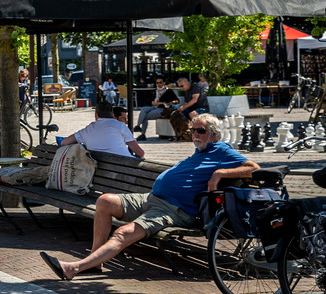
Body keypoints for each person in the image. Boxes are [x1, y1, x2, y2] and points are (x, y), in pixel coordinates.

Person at [40, 113, 257, 280]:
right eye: (192, 130)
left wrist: (220, 173)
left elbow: (253, 168)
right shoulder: (201, 152)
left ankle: (74, 268)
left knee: (123, 233)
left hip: (174, 209)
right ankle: (94, 263)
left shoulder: (221, 151)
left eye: (200, 131)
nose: (194, 135)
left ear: (214, 134)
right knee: (105, 201)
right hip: (152, 198)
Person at [60, 100, 142, 159]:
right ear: (113, 114)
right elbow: (140, 153)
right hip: (124, 167)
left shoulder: (88, 129)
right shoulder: (120, 125)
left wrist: (83, 146)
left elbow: (64, 142)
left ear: (96, 114)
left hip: (99, 171)